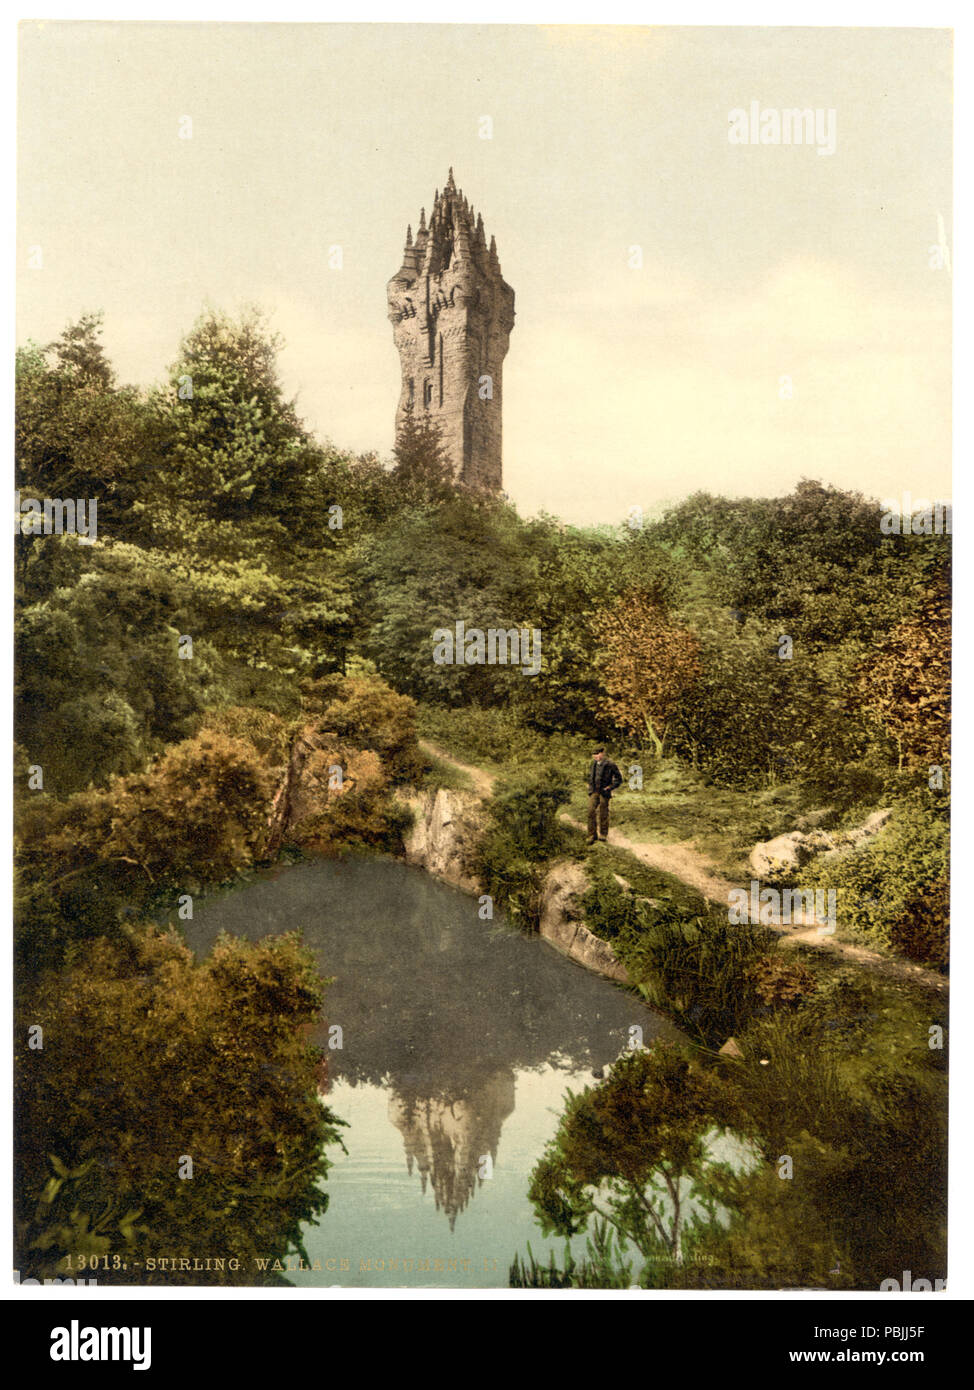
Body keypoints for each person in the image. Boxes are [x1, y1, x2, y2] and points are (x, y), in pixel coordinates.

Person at [586, 747, 622, 844]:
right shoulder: (592, 763)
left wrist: (610, 787)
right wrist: (589, 786)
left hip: (604, 793)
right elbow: (589, 776)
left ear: (602, 753)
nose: (596, 756)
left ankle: (603, 834)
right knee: (590, 811)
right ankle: (591, 835)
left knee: (603, 813)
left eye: (598, 753)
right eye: (594, 754)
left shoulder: (610, 764)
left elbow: (619, 779)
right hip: (594, 791)